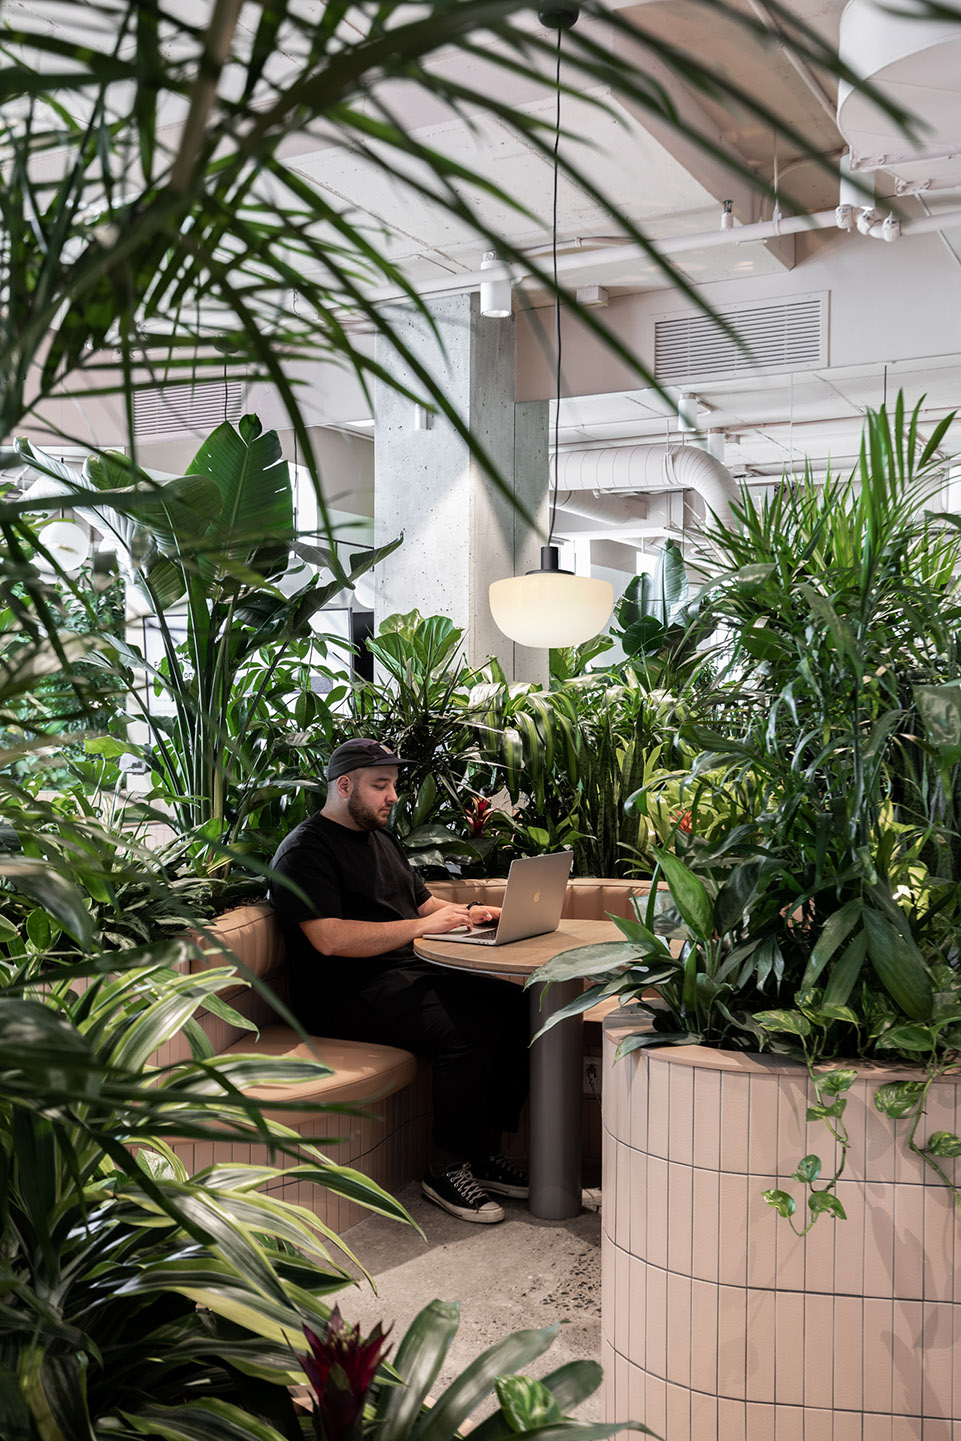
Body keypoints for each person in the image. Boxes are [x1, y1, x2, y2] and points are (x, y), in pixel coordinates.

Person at [268, 737, 530, 1224]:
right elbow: (328, 939)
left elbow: (423, 904)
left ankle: (483, 1154)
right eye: (380, 785)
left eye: (393, 784)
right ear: (344, 786)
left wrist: (472, 913)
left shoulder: (381, 839)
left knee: (515, 1005)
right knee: (466, 1030)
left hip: (398, 975)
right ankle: (446, 1167)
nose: (392, 796)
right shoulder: (304, 851)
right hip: (340, 996)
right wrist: (420, 927)